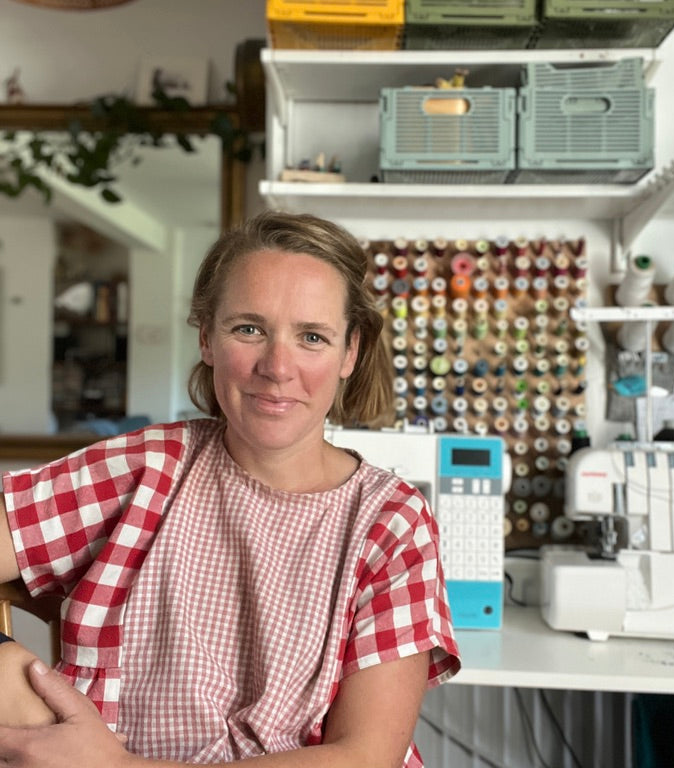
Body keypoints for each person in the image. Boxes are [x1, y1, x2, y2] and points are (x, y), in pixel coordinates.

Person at [0, 210, 460, 767]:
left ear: (351, 354)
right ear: (207, 339)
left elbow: (364, 756)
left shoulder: (393, 522)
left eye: (312, 337)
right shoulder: (148, 467)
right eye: (249, 329)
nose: (277, 367)